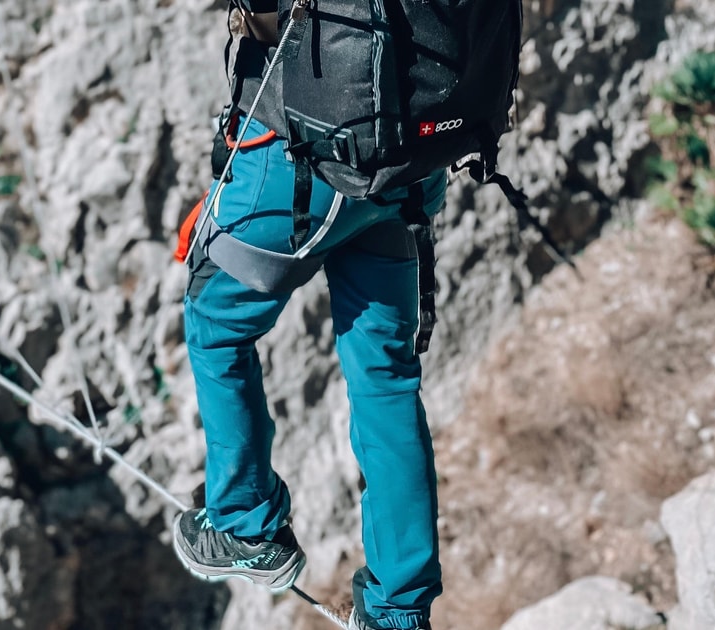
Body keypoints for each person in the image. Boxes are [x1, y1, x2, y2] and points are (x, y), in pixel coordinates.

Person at [171, 3, 443, 629]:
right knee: (387, 376)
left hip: (308, 156)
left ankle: (245, 525)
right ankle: (400, 612)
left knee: (216, 325)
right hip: (409, 158)